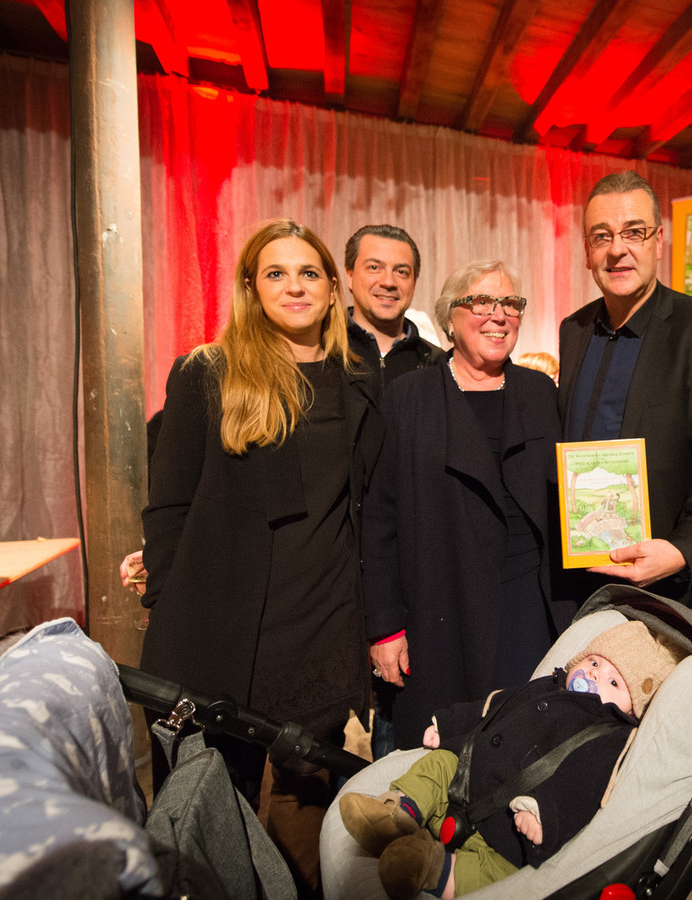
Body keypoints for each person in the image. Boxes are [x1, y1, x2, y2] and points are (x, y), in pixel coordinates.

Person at [138, 218, 385, 894]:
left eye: (308, 272)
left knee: (305, 789)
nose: (294, 286)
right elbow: (168, 504)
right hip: (223, 621)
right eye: (275, 273)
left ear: (333, 289)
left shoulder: (358, 378)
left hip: (322, 618)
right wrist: (164, 604)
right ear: (251, 287)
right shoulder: (207, 373)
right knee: (215, 793)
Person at [364, 259, 573, 752]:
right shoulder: (409, 397)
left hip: (529, 602)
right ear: (449, 318)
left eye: (511, 304)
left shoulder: (541, 392)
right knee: (443, 753)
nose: (499, 315)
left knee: (522, 745)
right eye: (482, 301)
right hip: (441, 605)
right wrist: (386, 627)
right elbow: (379, 521)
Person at [339, 621, 681, 899]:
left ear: (632, 710)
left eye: (613, 681)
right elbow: (494, 705)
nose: (594, 675)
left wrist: (545, 814)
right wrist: (449, 725)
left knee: (501, 875)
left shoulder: (608, 737)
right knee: (440, 763)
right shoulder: (550, 685)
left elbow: (585, 786)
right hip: (471, 775)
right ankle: (399, 812)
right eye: (594, 663)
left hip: (510, 829)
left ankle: (429, 869)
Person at [559, 171, 692, 611]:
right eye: (601, 236)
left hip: (666, 589)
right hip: (576, 588)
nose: (616, 249)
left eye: (633, 233)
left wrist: (681, 551)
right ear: (587, 251)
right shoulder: (573, 330)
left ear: (658, 241)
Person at [344, 224, 442, 388]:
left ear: (414, 283)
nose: (388, 282)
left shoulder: (438, 365)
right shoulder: (320, 351)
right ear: (349, 276)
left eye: (401, 272)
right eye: (374, 268)